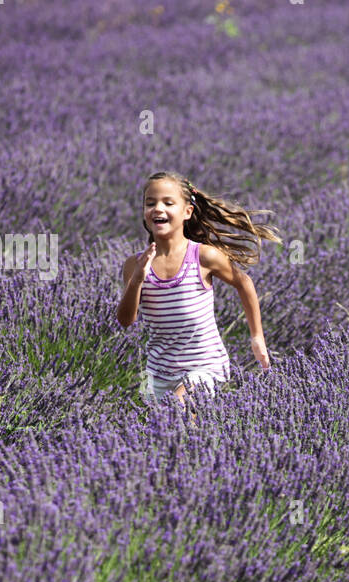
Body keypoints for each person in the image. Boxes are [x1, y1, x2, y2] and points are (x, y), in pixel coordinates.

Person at [116, 171, 281, 418]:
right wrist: (137, 280)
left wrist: (257, 337)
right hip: (159, 372)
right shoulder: (135, 264)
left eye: (168, 203)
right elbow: (126, 320)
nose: (158, 208)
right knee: (163, 434)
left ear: (187, 212)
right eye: (150, 203)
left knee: (179, 412)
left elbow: (244, 283)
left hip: (205, 365)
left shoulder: (203, 257)